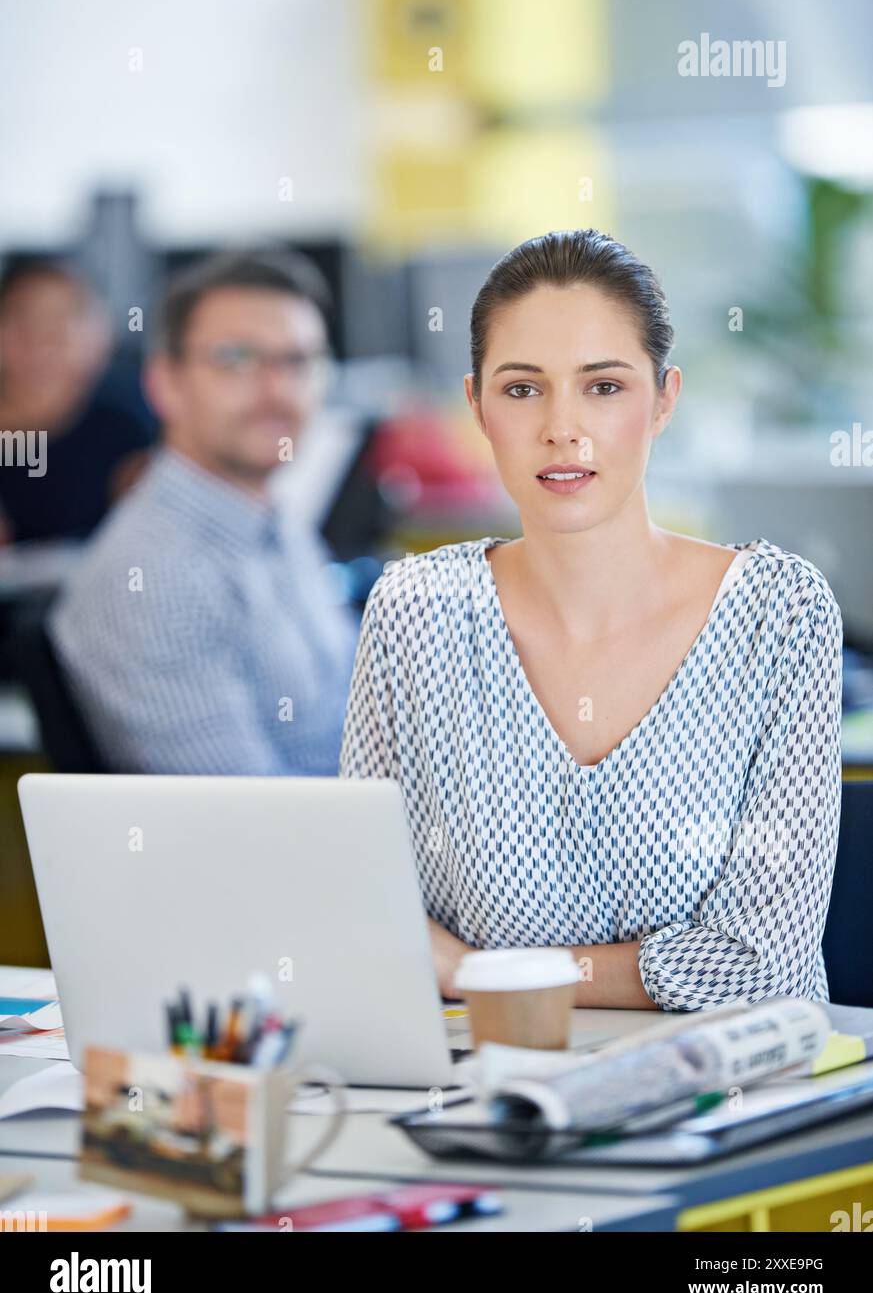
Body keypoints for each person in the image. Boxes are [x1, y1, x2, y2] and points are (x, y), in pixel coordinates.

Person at [340, 228, 843, 1012]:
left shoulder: (778, 613)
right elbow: (369, 916)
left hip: (728, 1098)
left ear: (663, 400)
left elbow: (760, 968)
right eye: (521, 388)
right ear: (476, 405)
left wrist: (481, 971)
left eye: (603, 387)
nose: (560, 427)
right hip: (490, 1084)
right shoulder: (415, 610)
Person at [50, 249, 358, 775]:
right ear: (165, 382)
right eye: (236, 359)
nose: (277, 390)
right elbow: (253, 825)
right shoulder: (155, 579)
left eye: (298, 361)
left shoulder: (275, 521)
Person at [0, 259, 154, 544]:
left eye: (64, 318)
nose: (43, 339)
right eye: (22, 316)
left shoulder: (126, 428)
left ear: (103, 334)